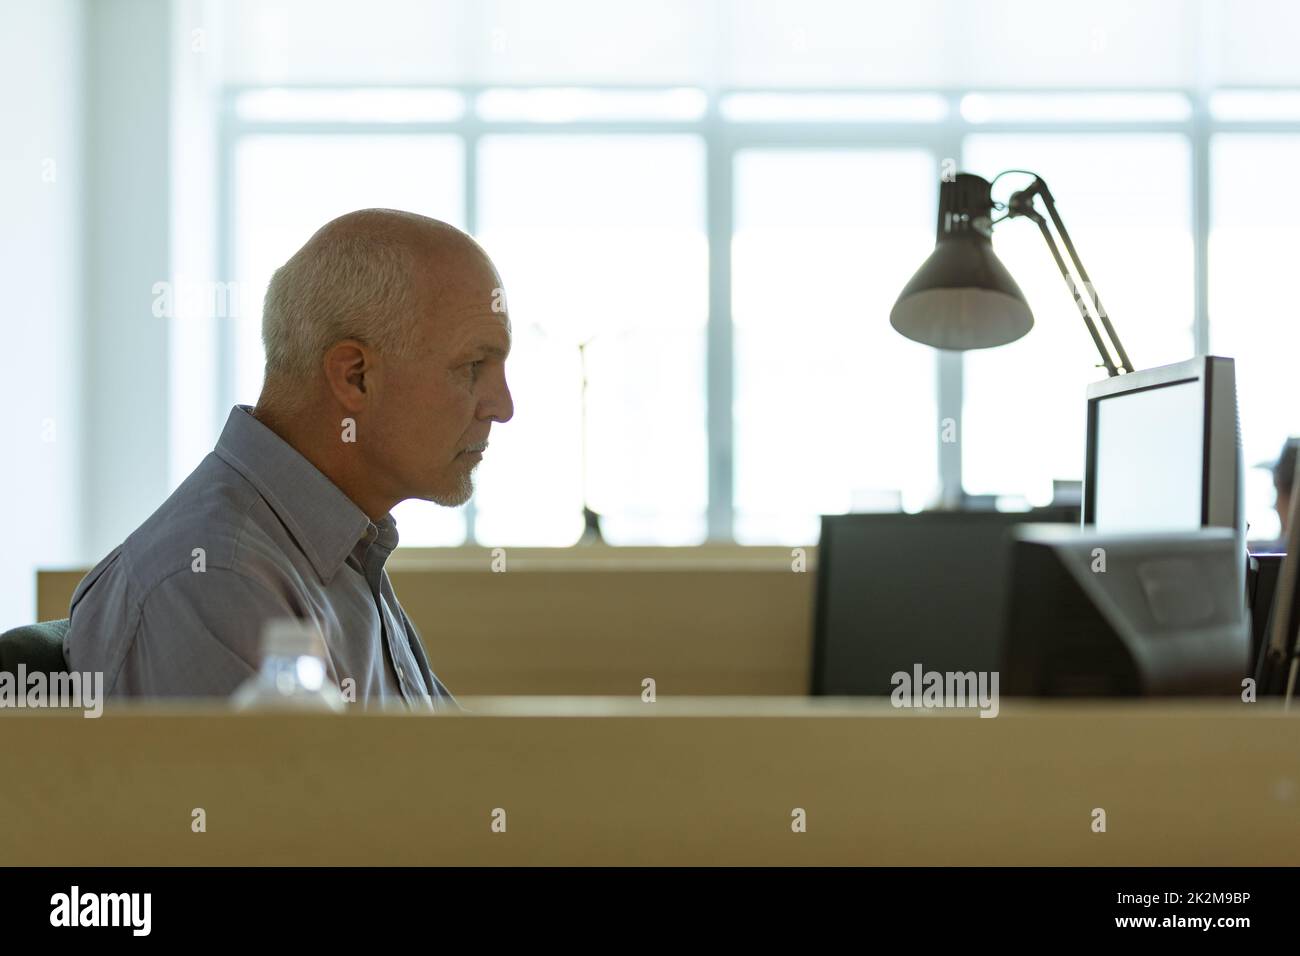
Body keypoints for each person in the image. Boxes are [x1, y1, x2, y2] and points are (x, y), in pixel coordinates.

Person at [64, 209, 514, 708]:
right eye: (473, 367)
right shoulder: (215, 580)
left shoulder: (338, 548)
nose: (503, 407)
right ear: (355, 377)